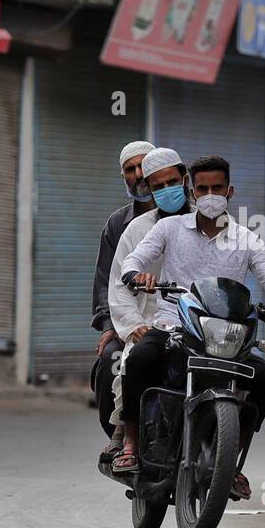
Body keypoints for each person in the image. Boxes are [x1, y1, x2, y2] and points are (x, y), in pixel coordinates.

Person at [116, 155, 265, 500]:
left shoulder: (247, 240)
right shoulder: (169, 229)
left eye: (217, 188)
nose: (210, 194)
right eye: (203, 188)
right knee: (139, 359)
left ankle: (233, 460)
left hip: (226, 336)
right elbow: (135, 258)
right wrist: (135, 275)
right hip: (175, 325)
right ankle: (129, 443)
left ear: (230, 191)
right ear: (193, 190)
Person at [99, 147, 192, 462]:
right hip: (147, 321)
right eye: (158, 186)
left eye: (172, 183)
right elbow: (114, 280)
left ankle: (226, 456)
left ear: (185, 180)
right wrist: (128, 325)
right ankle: (128, 438)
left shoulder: (211, 225)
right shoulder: (132, 228)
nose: (166, 191)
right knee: (129, 362)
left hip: (199, 324)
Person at [90, 140, 155, 438]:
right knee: (111, 358)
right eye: (130, 169)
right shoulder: (117, 224)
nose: (139, 173)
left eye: (144, 166)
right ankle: (117, 435)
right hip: (128, 319)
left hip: (178, 316)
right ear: (124, 177)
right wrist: (110, 324)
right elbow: (107, 279)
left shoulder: (186, 216)